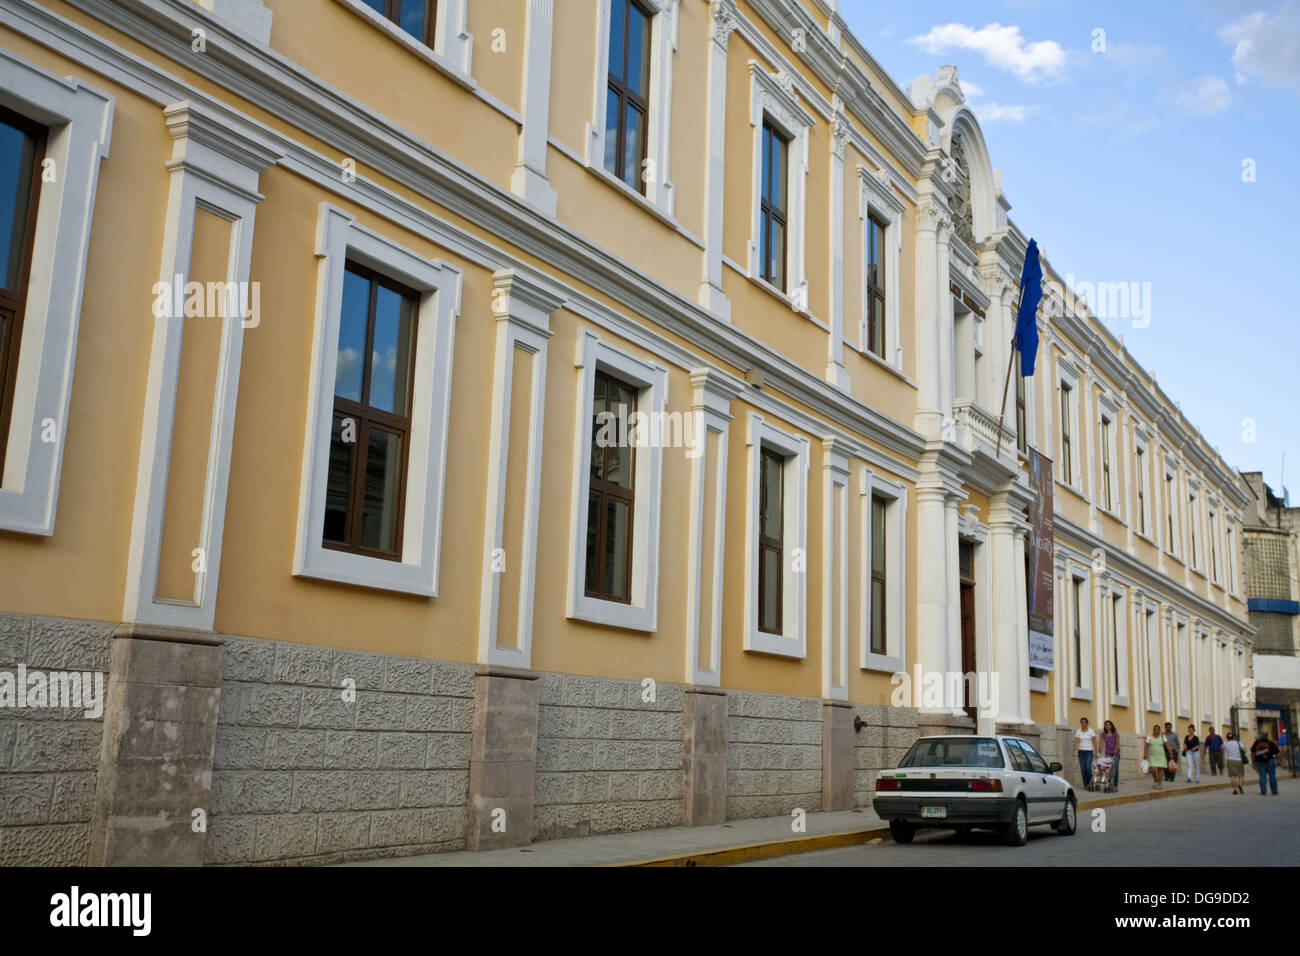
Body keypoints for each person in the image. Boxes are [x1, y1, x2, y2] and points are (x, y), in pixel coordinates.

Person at [1251, 731, 1280, 796]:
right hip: (1270, 760)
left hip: (1260, 761)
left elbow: (1252, 752)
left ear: (1261, 735)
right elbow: (1277, 753)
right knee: (1272, 776)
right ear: (1267, 735)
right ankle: (1274, 791)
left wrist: (1253, 761)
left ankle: (1263, 791)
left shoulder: (1257, 742)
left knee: (1262, 776)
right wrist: (1278, 760)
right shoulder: (1271, 742)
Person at [1073, 717, 1096, 787]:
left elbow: (1094, 742)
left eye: (1085, 722)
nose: (1083, 724)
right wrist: (1074, 751)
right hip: (1081, 752)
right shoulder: (1078, 731)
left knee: (1088, 768)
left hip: (1089, 752)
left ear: (1087, 723)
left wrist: (1096, 752)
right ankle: (1086, 785)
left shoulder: (1091, 731)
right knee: (1083, 769)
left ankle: (1090, 783)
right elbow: (1076, 742)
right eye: (1082, 722)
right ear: (1081, 723)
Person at [1100, 720, 1121, 790]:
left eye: (1108, 725)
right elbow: (1101, 741)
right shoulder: (1103, 734)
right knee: (1108, 769)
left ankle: (1115, 785)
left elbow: (1118, 743)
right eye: (1106, 725)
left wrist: (1116, 749)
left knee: (1115, 769)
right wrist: (1100, 748)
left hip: (1116, 753)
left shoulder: (1115, 733)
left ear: (1111, 726)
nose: (1107, 726)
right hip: (1108, 753)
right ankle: (1109, 784)